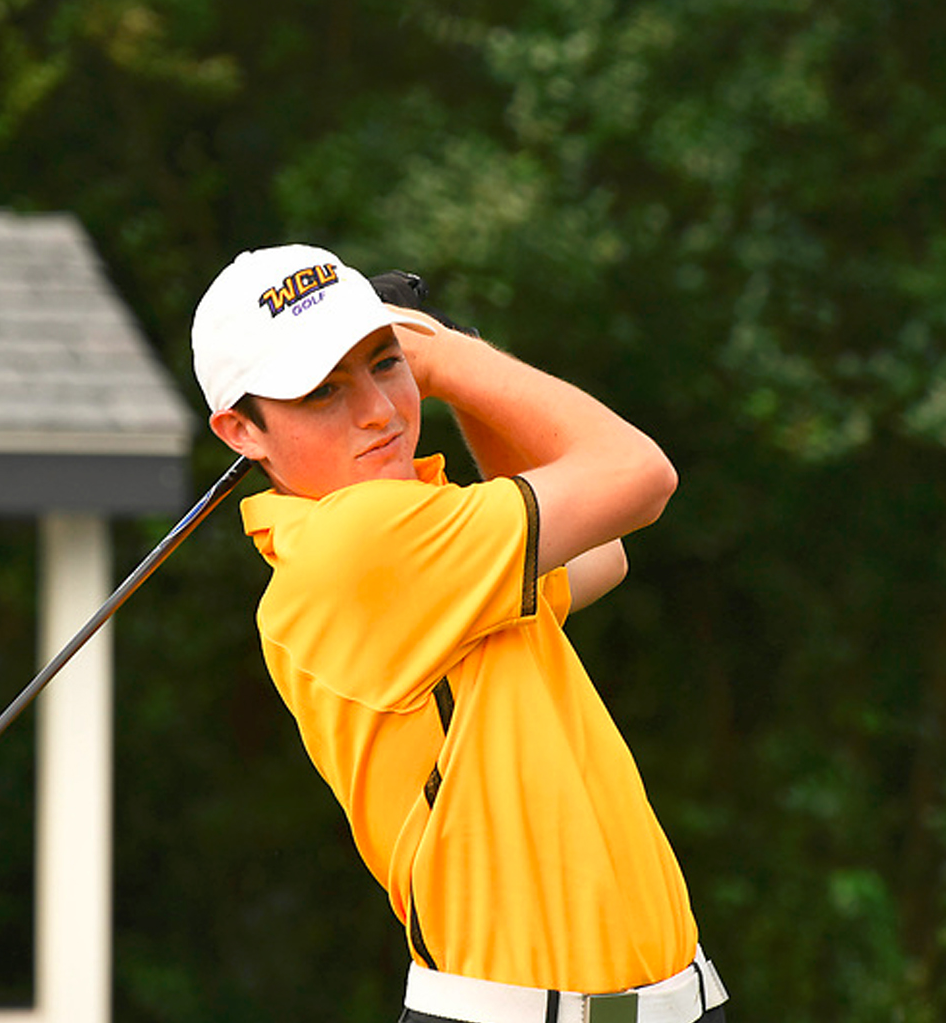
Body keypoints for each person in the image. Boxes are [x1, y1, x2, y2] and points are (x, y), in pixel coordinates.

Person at [191, 243, 728, 1023]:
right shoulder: (358, 544)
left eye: (386, 364)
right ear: (242, 430)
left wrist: (444, 361)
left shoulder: (432, 543)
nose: (378, 410)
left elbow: (600, 555)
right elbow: (639, 476)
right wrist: (448, 358)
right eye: (323, 391)